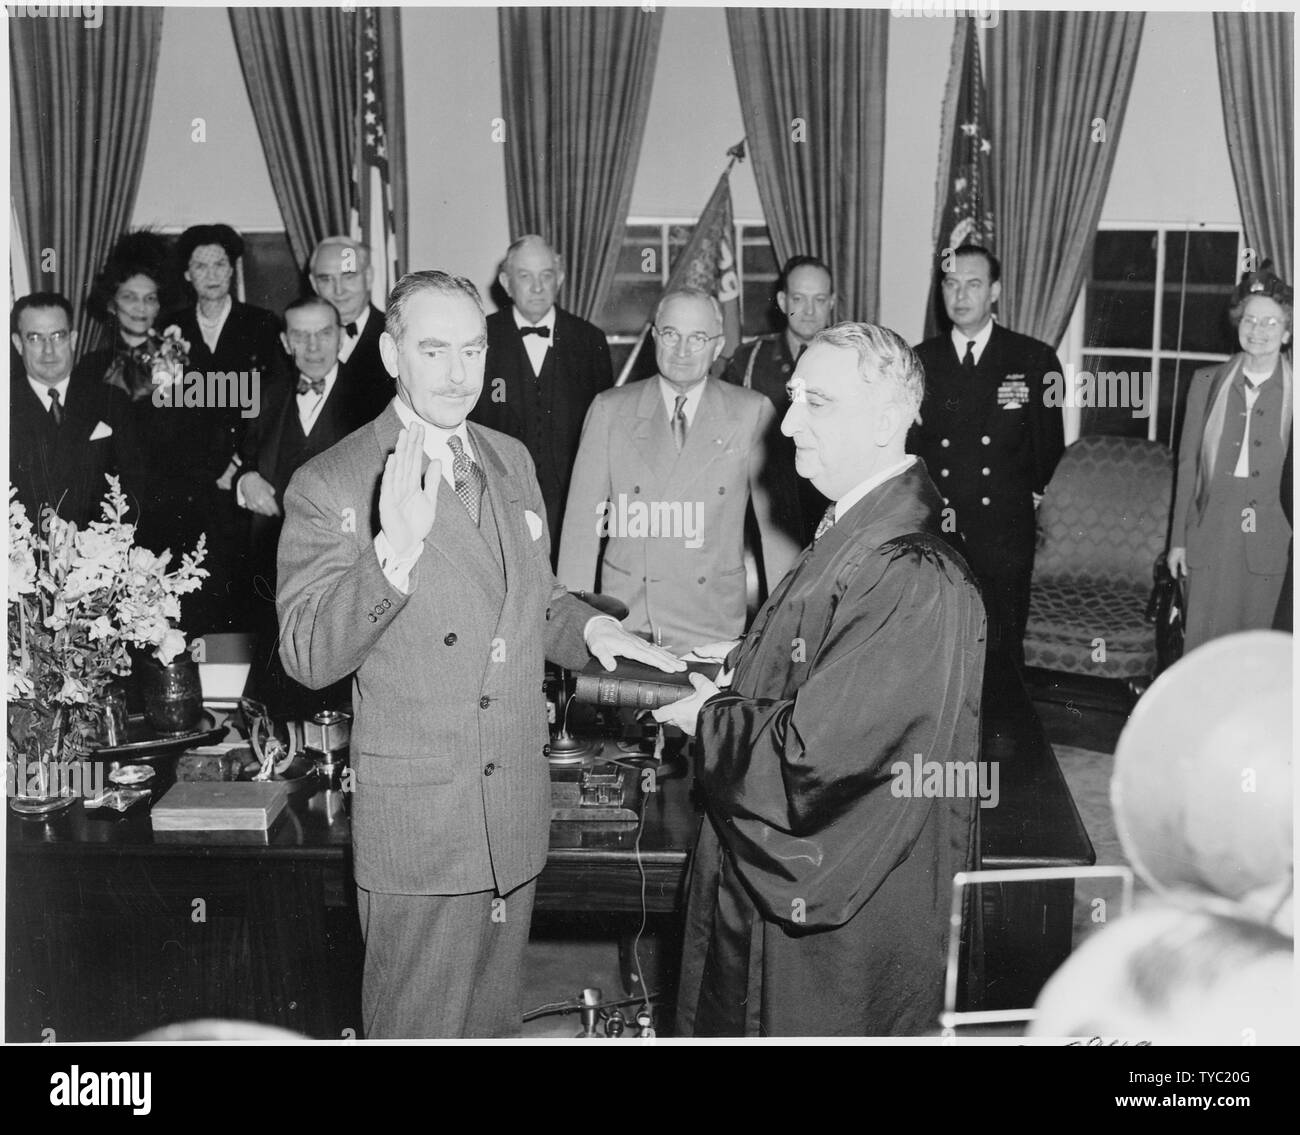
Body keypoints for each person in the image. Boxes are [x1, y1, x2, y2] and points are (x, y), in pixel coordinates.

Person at [275, 270, 682, 1038]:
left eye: (472, 349)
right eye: (434, 350)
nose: (458, 373)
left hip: (510, 813)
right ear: (391, 355)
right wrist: (392, 554)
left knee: (493, 1028)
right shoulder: (333, 480)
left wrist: (591, 630)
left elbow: (535, 595)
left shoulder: (510, 459)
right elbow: (306, 653)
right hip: (424, 826)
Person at [654, 322, 986, 1036]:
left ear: (887, 421)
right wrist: (748, 659)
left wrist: (710, 719)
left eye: (818, 402)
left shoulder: (909, 570)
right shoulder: (859, 526)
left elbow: (823, 759)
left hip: (844, 928)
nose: (789, 422)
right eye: (794, 395)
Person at [557, 288, 799, 654]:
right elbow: (580, 532)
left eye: (697, 338)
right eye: (671, 334)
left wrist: (783, 631)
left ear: (718, 346)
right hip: (629, 621)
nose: (682, 350)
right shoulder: (609, 410)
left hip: (715, 622)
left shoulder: (751, 412)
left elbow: (778, 537)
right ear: (655, 337)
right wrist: (577, 629)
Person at [909, 245, 1064, 667]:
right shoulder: (920, 360)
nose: (960, 295)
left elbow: (1049, 447)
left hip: (1003, 532)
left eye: (973, 284)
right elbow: (910, 450)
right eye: (951, 284)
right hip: (940, 529)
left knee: (1000, 652)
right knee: (937, 649)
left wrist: (1027, 497)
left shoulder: (1033, 359)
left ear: (994, 291)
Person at [237, 296, 364, 716]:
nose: (312, 347)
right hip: (276, 575)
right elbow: (245, 458)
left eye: (324, 333)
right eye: (301, 335)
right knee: (277, 709)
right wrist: (245, 477)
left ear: (341, 337)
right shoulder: (264, 395)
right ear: (285, 342)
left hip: (344, 573)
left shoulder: (372, 397)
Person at [1168, 263, 1292, 653]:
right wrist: (1177, 542)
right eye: (1250, 320)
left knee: (1257, 654)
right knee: (1202, 650)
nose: (1258, 330)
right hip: (1210, 534)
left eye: (1271, 323)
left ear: (1287, 333)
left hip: (1272, 541)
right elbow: (1187, 465)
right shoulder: (1206, 382)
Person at [469, 235, 613, 563]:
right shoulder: (478, 339)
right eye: (525, 276)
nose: (537, 287)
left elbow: (604, 433)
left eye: (546, 275)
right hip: (499, 505)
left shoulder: (590, 341)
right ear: (506, 282)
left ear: (559, 279)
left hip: (572, 508)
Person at [722, 254, 836, 544]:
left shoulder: (850, 362)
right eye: (799, 299)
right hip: (763, 512)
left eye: (819, 299)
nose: (809, 310)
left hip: (830, 511)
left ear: (832, 303)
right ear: (783, 302)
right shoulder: (749, 361)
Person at [10, 292, 144, 528]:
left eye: (58, 336)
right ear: (18, 344)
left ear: (72, 339)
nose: (48, 350)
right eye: (35, 338)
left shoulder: (112, 401)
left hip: (98, 544)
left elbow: (135, 488)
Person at [309, 235, 394, 425]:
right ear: (314, 284)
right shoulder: (299, 341)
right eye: (326, 279)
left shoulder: (397, 337)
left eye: (348, 276)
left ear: (368, 277)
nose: (339, 290)